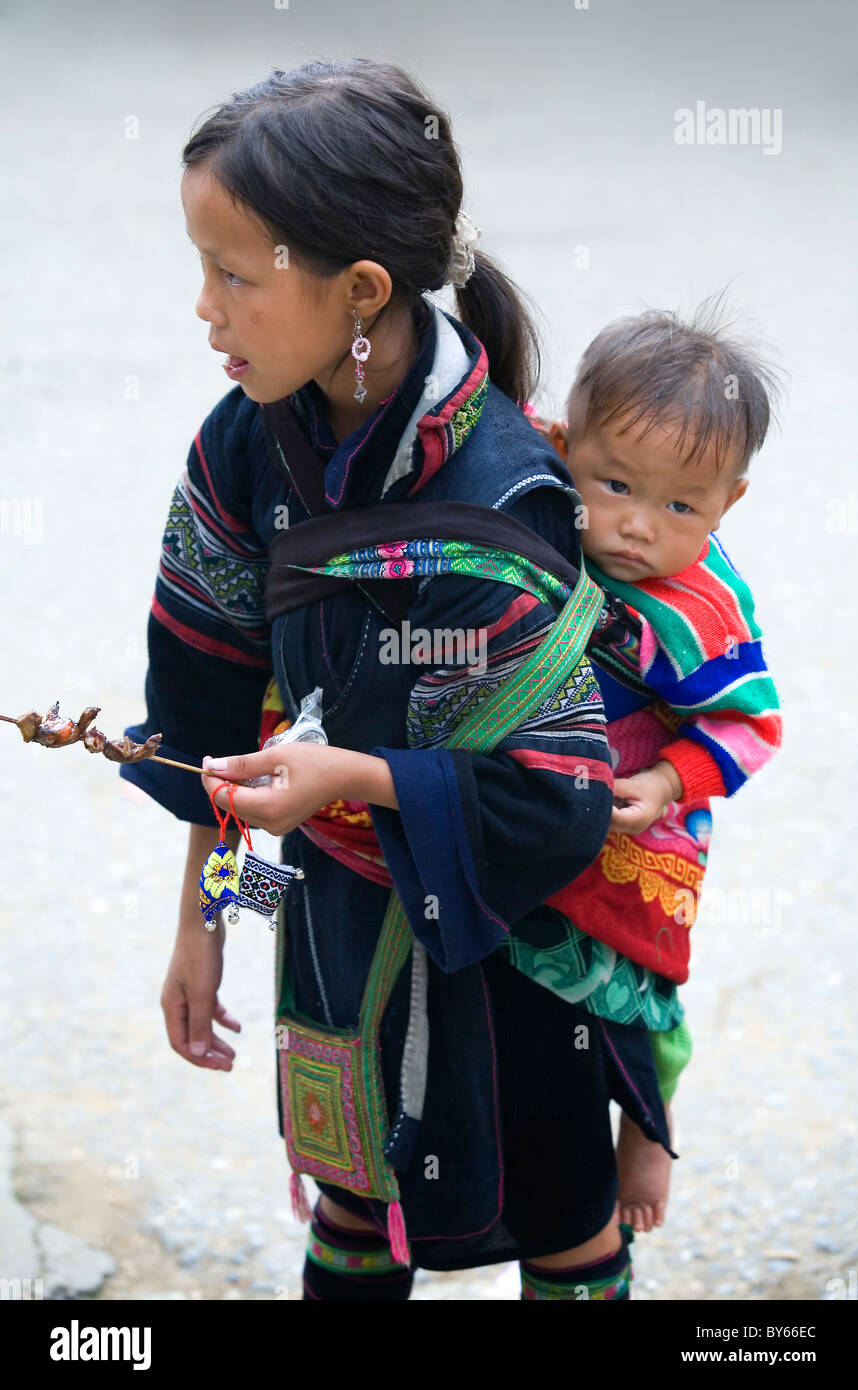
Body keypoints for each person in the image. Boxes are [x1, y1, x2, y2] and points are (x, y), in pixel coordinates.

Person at [120, 58, 676, 1301]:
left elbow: (551, 798)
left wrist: (350, 779)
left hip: (515, 954)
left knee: (563, 1222)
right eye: (200, 264)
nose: (203, 308)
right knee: (353, 1215)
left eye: (233, 274)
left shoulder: (499, 499)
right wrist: (206, 921)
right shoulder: (240, 446)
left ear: (361, 292)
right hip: (334, 930)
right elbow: (211, 729)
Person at [525, 307, 783, 1233]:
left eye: (682, 506)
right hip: (547, 805)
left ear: (729, 503)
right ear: (563, 445)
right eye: (616, 484)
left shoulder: (706, 605)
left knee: (640, 998)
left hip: (650, 819)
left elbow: (752, 727)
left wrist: (672, 782)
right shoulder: (531, 507)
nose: (638, 526)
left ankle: (648, 1125)